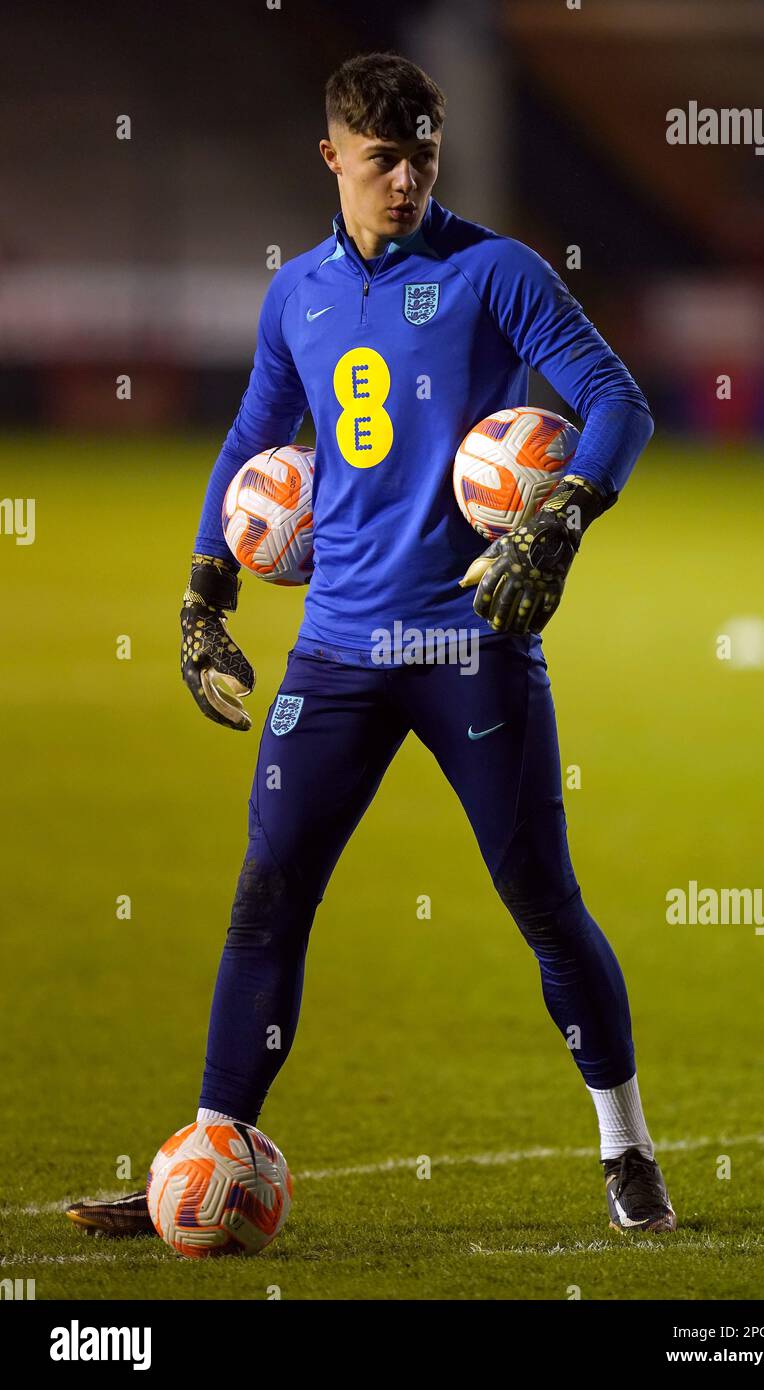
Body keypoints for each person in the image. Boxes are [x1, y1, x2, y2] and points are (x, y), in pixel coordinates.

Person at [67, 50, 674, 1241]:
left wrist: (560, 519)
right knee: (266, 897)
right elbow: (252, 432)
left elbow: (620, 404)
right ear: (332, 156)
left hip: (466, 642)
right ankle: (210, 1159)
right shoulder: (294, 294)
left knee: (540, 901)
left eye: (422, 157)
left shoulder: (493, 271)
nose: (404, 181)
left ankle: (627, 1148)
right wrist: (205, 598)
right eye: (382, 158)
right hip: (337, 649)